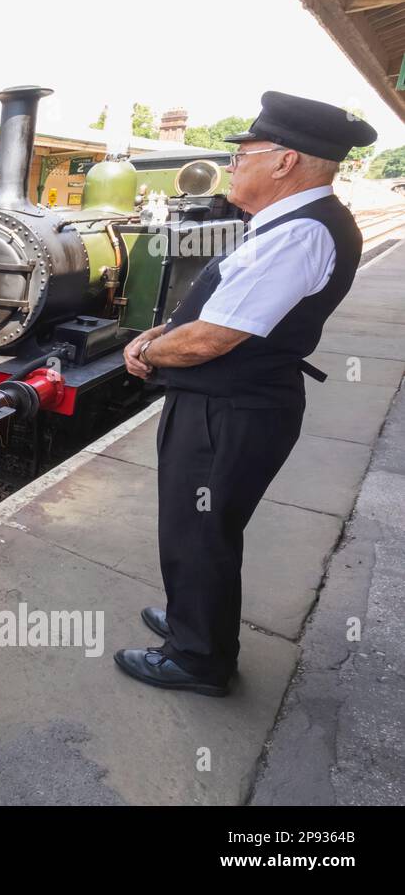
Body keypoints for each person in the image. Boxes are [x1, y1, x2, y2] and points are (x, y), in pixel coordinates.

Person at [113, 91, 377, 696]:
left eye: (243, 154)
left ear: (285, 161)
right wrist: (161, 332)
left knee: (199, 530)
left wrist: (145, 351)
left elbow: (211, 339)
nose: (233, 165)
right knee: (198, 526)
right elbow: (218, 311)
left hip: (228, 411)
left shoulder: (299, 235)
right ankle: (191, 619)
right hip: (233, 406)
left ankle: (197, 658)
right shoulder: (293, 224)